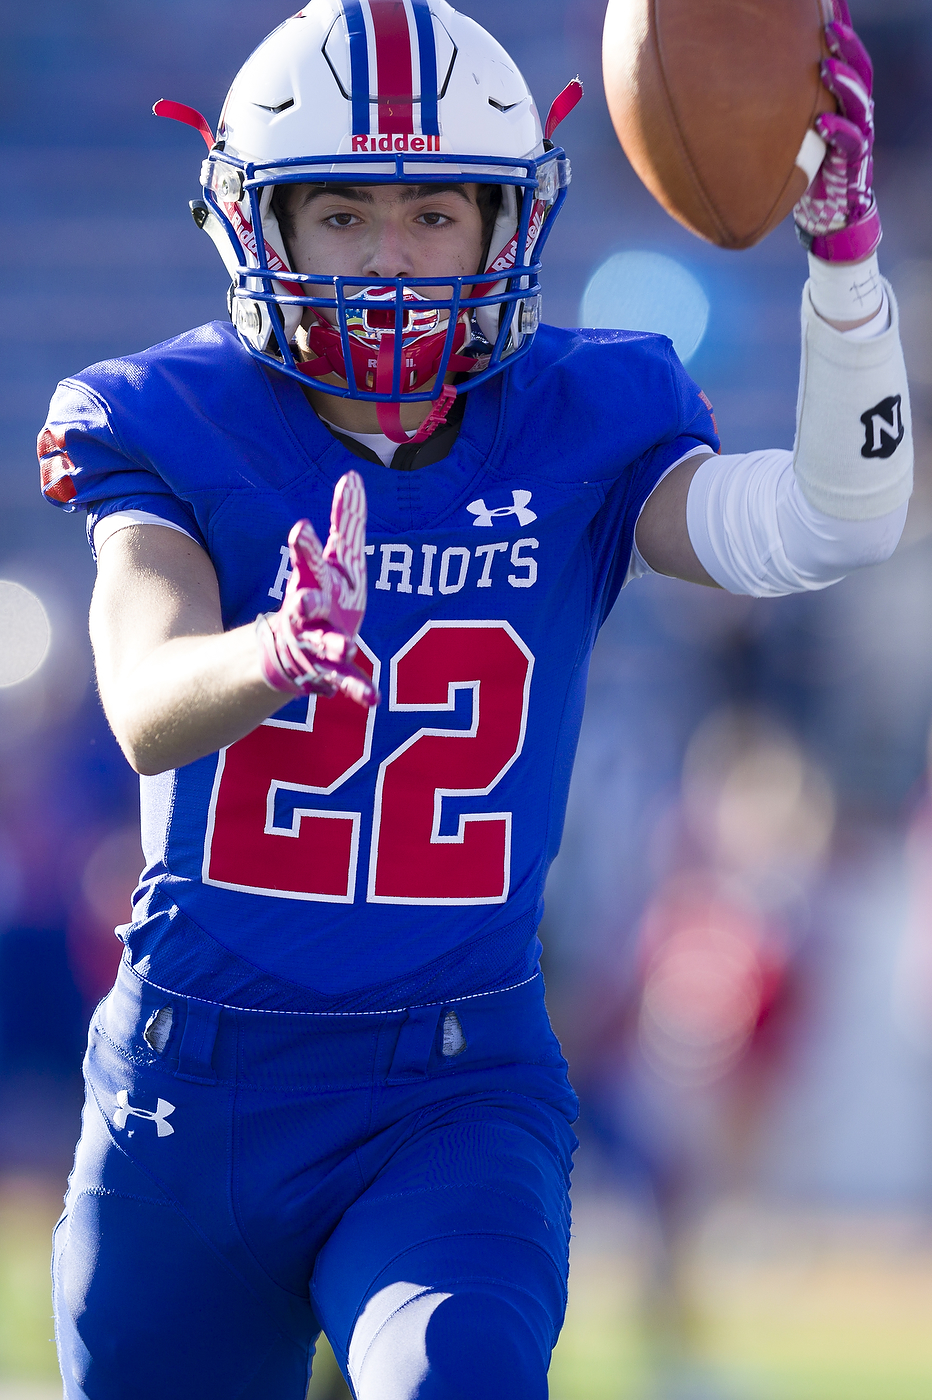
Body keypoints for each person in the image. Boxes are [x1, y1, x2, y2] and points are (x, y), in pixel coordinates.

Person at [38, 2, 910, 1397]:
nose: (390, 258)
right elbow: (144, 697)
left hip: (447, 1086)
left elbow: (831, 523)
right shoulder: (167, 415)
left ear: (508, 226)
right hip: (187, 1094)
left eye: (436, 211)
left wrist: (848, 267)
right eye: (340, 213)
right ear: (260, 227)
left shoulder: (586, 412)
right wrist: (276, 650)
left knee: (459, 1373)